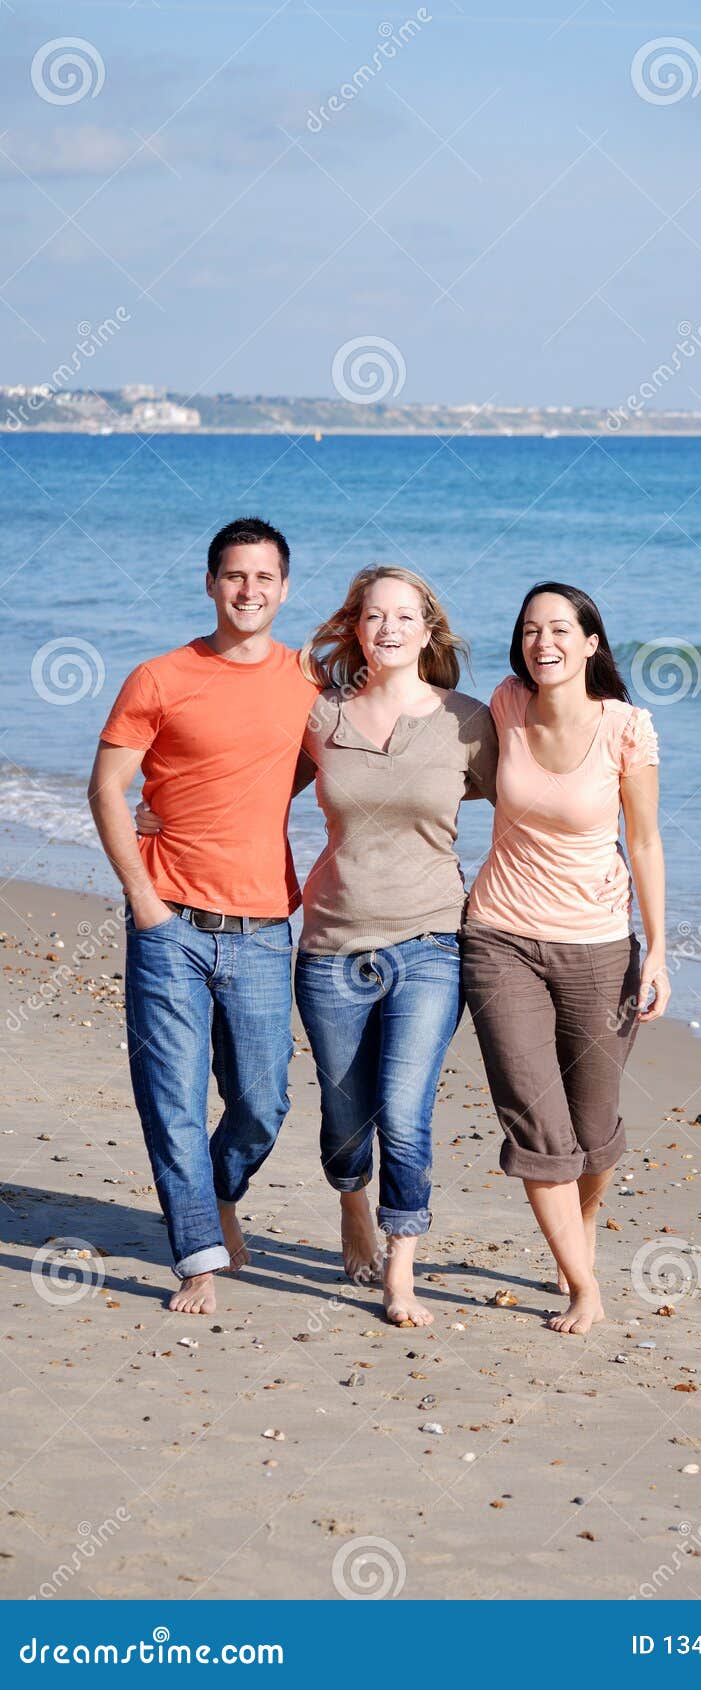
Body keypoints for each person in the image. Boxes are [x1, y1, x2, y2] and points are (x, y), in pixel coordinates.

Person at [87, 517, 318, 1315]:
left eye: (263, 578)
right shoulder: (159, 676)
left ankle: (219, 1195)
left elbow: (336, 768)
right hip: (169, 923)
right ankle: (196, 1255)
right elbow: (107, 788)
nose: (247, 591)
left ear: (284, 590)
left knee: (263, 1101)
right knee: (173, 1101)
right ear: (211, 582)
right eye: (233, 576)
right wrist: (145, 904)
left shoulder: (310, 680)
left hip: (261, 926)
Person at [461, 582, 669, 1336]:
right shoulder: (505, 706)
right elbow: (444, 770)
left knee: (592, 1127)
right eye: (527, 630)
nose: (540, 642)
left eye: (557, 629)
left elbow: (643, 841)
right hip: (499, 937)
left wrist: (658, 953)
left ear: (590, 643)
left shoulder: (626, 728)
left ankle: (574, 1238)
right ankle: (584, 1285)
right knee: (537, 1124)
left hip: (600, 944)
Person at [293, 566, 497, 1327]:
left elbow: (526, 810)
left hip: (430, 942)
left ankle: (400, 1269)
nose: (388, 629)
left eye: (403, 617)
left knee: (404, 1110)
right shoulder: (319, 717)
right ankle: (353, 1209)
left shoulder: (466, 721)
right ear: (355, 628)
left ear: (428, 630)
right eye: (373, 616)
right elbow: (245, 782)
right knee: (345, 1116)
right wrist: (160, 812)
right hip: (331, 942)